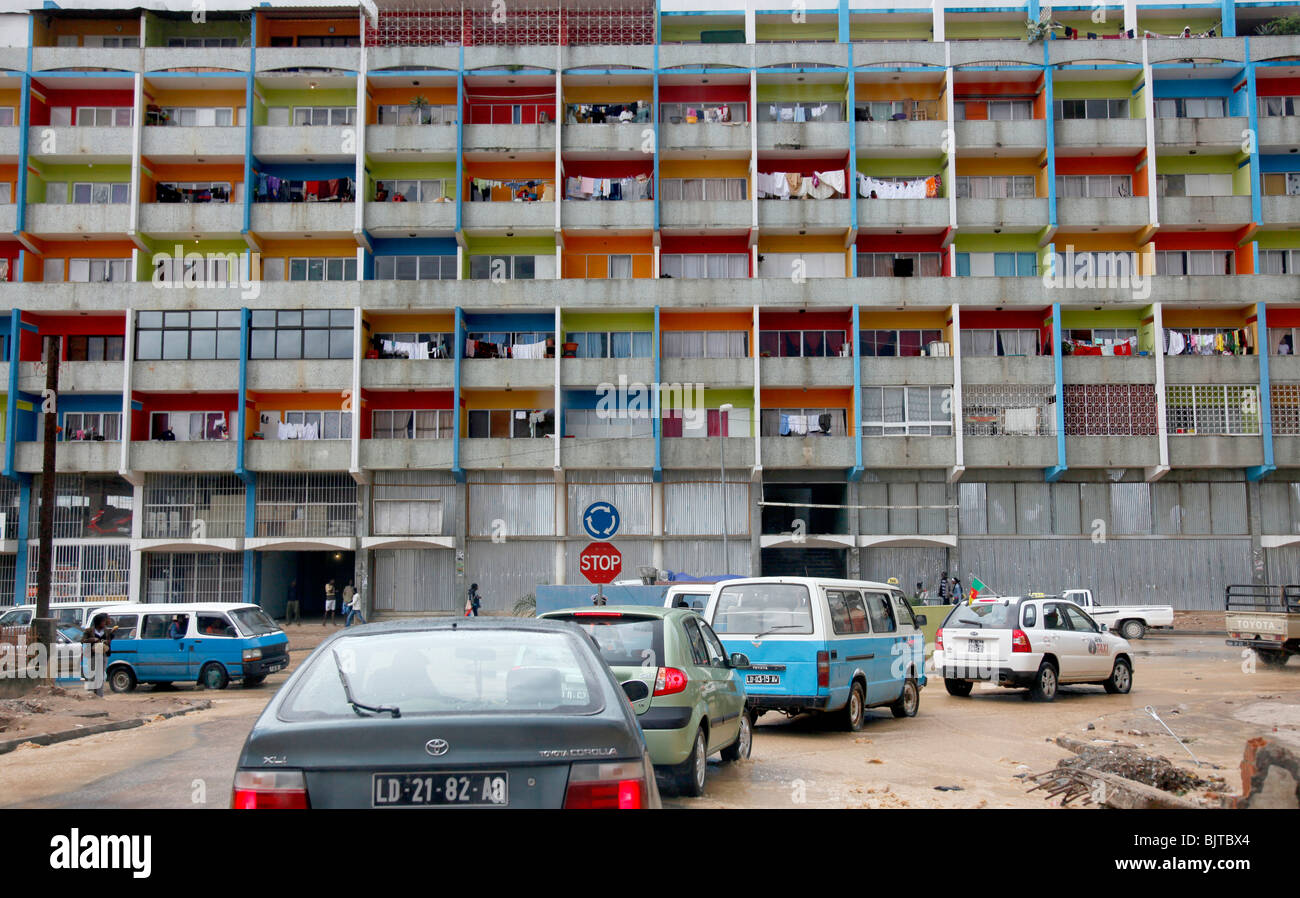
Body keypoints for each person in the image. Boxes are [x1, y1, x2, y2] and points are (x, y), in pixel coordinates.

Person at [80, 613, 113, 696]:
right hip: (92, 654)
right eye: (103, 621)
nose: (105, 623)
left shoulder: (107, 631)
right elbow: (82, 640)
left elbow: (109, 641)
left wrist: (106, 641)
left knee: (101, 675)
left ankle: (99, 695)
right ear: (99, 622)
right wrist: (92, 639)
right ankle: (91, 693)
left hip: (103, 654)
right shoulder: (89, 631)